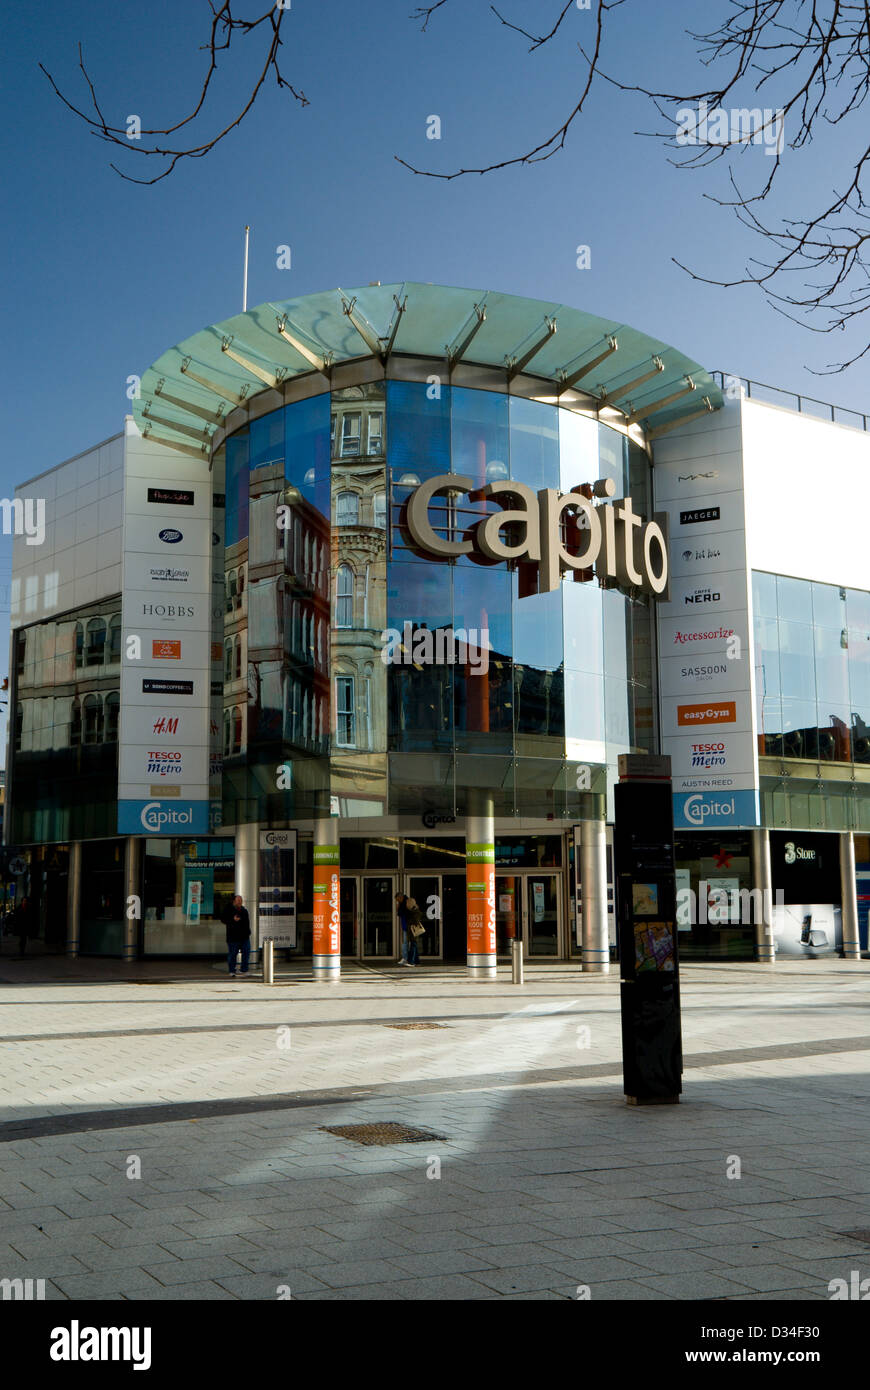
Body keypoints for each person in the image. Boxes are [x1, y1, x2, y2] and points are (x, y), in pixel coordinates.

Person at [223, 894, 251, 976]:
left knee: (246, 952)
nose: (240, 902)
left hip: (244, 936)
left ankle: (244, 969)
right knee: (233, 954)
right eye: (238, 901)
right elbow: (223, 919)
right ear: (234, 901)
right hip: (233, 937)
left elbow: (246, 923)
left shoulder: (244, 910)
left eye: (241, 901)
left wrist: (248, 932)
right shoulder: (228, 910)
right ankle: (232, 970)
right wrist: (232, 919)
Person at [405, 896, 424, 966]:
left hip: (414, 931)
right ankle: (417, 961)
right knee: (414, 946)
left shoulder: (415, 911)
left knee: (413, 946)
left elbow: (416, 921)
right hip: (412, 931)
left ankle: (411, 961)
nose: (406, 904)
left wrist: (409, 921)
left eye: (407, 903)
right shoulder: (413, 911)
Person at [395, 892, 410, 965]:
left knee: (405, 943)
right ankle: (408, 958)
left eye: (397, 900)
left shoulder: (405, 903)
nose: (397, 901)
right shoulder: (405, 902)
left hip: (407, 926)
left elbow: (401, 913)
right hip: (406, 925)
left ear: (400, 897)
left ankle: (405, 958)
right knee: (407, 942)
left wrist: (398, 908)